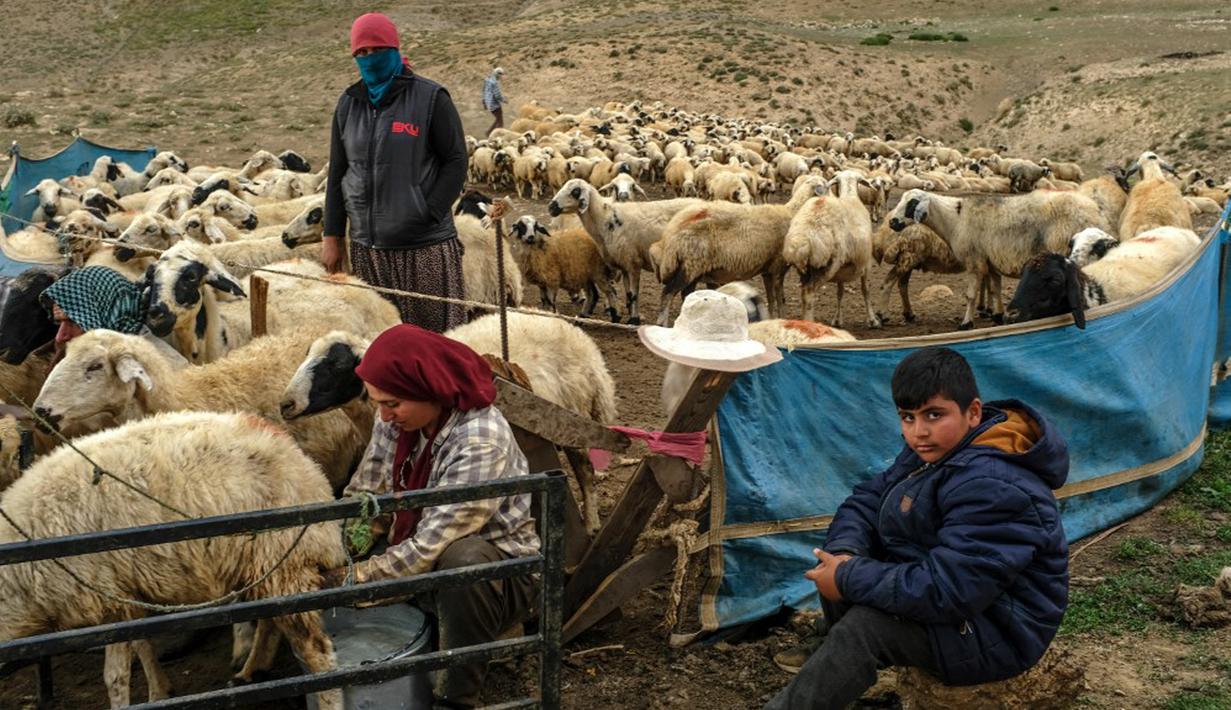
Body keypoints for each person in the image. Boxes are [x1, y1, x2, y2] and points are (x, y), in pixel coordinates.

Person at [765, 347, 1069, 710]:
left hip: (998, 631)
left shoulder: (996, 485)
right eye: (907, 417)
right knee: (844, 560)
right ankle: (833, 655)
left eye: (934, 415)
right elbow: (867, 501)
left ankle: (822, 675)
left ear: (973, 412)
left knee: (865, 628)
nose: (918, 432)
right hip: (958, 601)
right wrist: (846, 554)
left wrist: (849, 577)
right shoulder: (936, 449)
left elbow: (951, 590)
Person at [321, 323, 539, 707]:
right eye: (378, 403)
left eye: (392, 404)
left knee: (462, 562)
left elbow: (429, 547)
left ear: (429, 389)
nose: (384, 416)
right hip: (418, 542)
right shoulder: (397, 419)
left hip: (496, 573)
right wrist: (345, 543)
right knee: (369, 554)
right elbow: (368, 490)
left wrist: (349, 580)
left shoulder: (478, 439)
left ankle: (456, 694)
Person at [322, 12, 469, 332]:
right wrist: (332, 235)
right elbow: (338, 173)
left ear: (393, 49)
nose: (369, 58)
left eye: (376, 50)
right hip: (368, 250)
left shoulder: (430, 98)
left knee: (434, 342)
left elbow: (456, 161)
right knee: (382, 345)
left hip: (423, 249)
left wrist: (428, 212)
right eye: (361, 53)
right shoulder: (348, 105)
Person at [39, 266, 186, 367]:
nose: (60, 336)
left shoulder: (164, 367)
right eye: (59, 324)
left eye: (73, 322)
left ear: (107, 312)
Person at [483, 67, 507, 136]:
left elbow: (484, 90)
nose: (502, 76)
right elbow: (497, 95)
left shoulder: (488, 80)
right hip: (494, 104)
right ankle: (497, 135)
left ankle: (489, 132)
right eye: (501, 75)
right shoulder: (495, 83)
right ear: (498, 74)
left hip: (489, 103)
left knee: (498, 119)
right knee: (500, 121)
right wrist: (504, 100)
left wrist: (484, 101)